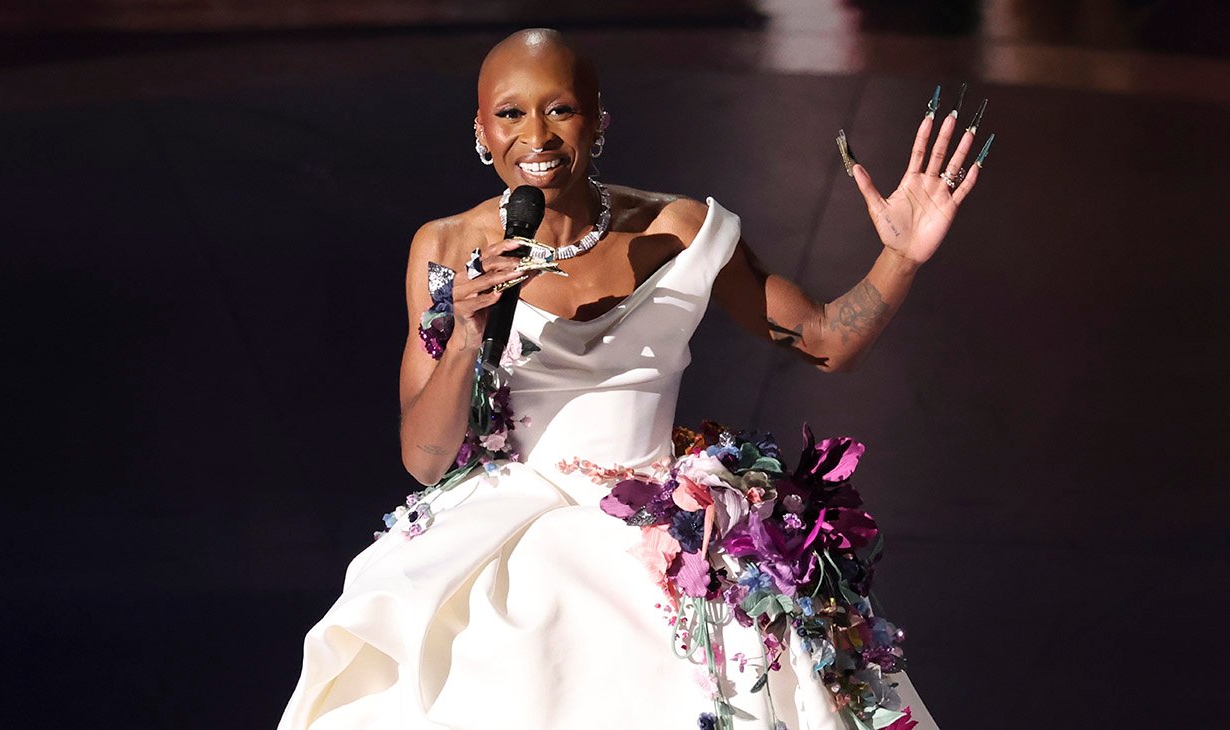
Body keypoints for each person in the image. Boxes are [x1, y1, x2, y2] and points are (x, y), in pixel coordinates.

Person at [279, 28, 989, 730]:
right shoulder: (443, 249)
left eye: (559, 109)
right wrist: (465, 336)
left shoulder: (684, 230)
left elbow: (828, 342)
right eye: (511, 113)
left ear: (598, 119)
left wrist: (901, 255)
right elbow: (424, 459)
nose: (538, 135)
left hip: (653, 527)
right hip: (498, 531)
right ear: (480, 130)